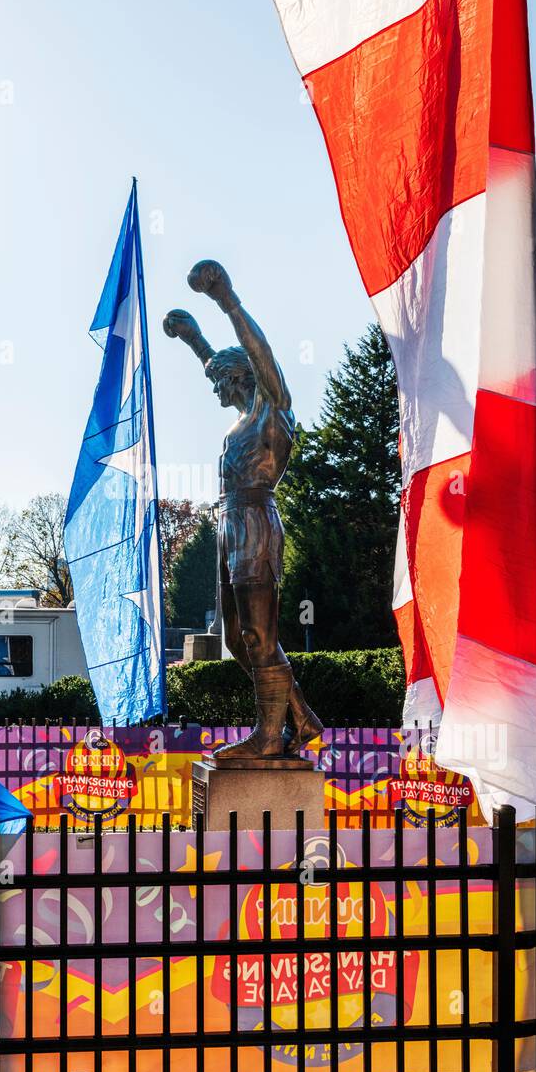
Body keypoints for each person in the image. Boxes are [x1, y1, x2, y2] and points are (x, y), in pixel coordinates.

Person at [164, 259, 322, 762]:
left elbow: (259, 354)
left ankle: (272, 735)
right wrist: (193, 340)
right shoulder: (242, 415)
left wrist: (224, 299)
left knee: (259, 633)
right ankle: (299, 717)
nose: (216, 391)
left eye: (222, 383)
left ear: (243, 378)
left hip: (255, 521)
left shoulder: (273, 408)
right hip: (229, 523)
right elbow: (221, 364)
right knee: (236, 637)